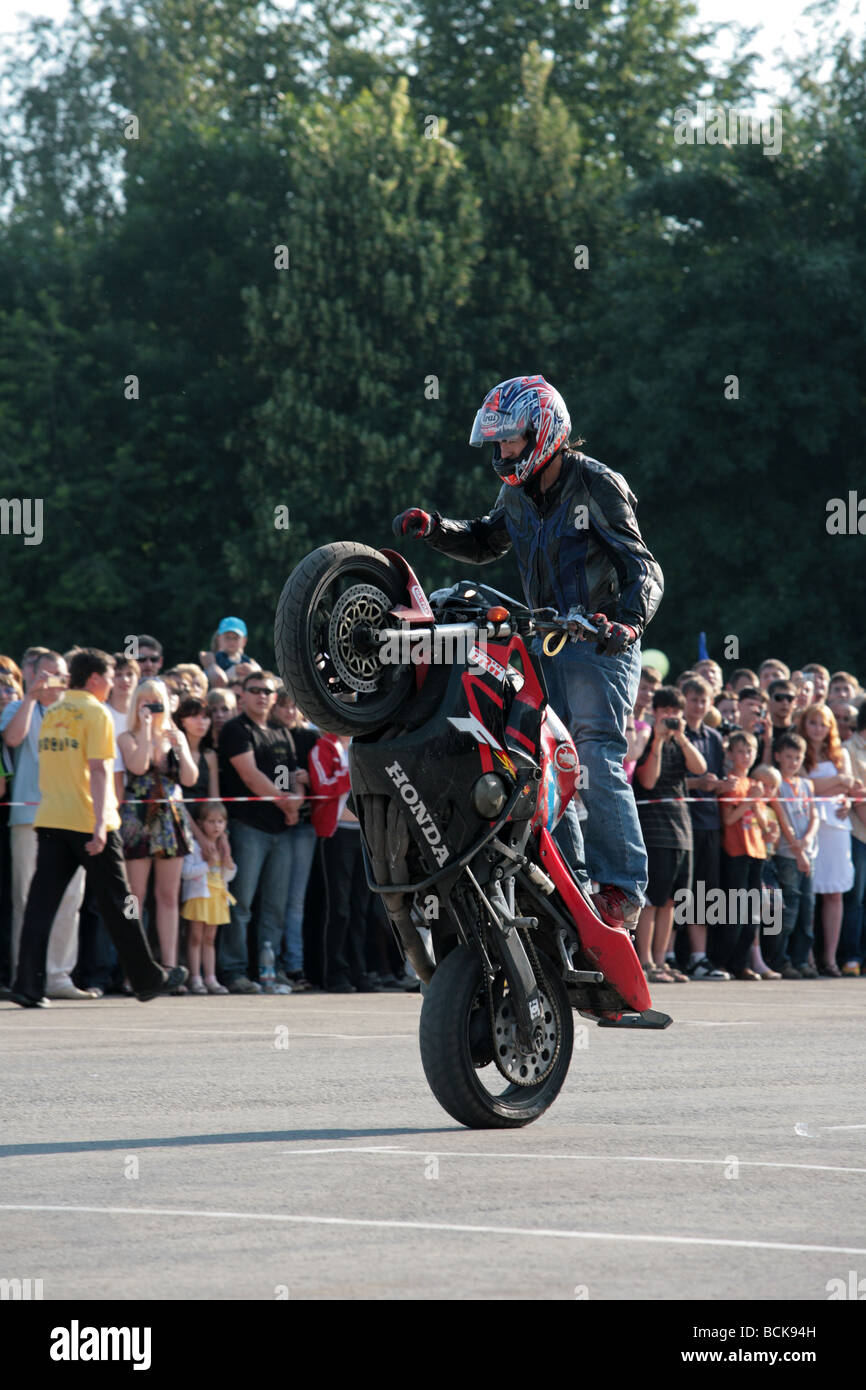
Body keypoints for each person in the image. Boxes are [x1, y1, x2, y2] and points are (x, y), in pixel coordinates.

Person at [393, 374, 664, 928]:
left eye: (511, 439)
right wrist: (435, 529)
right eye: (497, 441)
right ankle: (573, 885)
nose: (503, 451)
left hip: (598, 642)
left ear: (544, 431)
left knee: (594, 755)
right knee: (543, 763)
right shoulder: (515, 493)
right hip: (542, 644)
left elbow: (645, 568)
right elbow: (484, 541)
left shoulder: (597, 483)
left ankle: (623, 889)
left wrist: (628, 623)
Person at [10, 649, 186, 1007]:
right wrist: (99, 825)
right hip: (89, 820)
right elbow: (100, 769)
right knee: (122, 903)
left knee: (40, 906)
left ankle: (28, 984)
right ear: (94, 679)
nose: (112, 683)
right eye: (109, 676)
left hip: (51, 818)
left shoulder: (55, 711)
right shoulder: (96, 712)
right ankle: (147, 978)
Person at [1, 649, 93, 999]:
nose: (55, 681)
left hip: (72, 815)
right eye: (48, 673)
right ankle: (27, 975)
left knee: (71, 899)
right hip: (29, 817)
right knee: (26, 898)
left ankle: (59, 976)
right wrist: (31, 697)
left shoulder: (78, 711)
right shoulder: (17, 707)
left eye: (61, 674)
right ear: (32, 675)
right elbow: (13, 739)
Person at [216, 672, 303, 993]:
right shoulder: (236, 729)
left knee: (275, 908)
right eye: (254, 690)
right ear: (242, 695)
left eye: (267, 691)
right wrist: (287, 803)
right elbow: (250, 776)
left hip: (281, 830)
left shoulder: (281, 732)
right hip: (247, 828)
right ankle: (233, 971)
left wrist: (293, 801)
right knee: (240, 905)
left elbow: (286, 775)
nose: (261, 696)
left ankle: (269, 969)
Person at [118, 680, 199, 985]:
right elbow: (138, 767)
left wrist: (180, 746)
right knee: (134, 896)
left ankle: (170, 967)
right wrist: (145, 730)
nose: (151, 706)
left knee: (168, 896)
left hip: (170, 819)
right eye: (145, 701)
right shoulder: (127, 736)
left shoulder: (174, 736)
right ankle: (135, 968)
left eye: (157, 701)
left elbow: (190, 779)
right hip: (137, 820)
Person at [632, 686, 706, 982]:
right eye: (666, 711)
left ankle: (661, 961)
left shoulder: (681, 740)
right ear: (655, 712)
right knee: (652, 899)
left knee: (672, 901)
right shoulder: (648, 737)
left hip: (682, 829)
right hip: (654, 829)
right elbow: (648, 781)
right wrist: (659, 740)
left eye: (676, 712)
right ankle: (645, 961)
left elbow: (700, 768)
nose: (671, 717)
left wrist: (681, 737)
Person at [798, 704, 857, 976]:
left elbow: (850, 785)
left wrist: (838, 789)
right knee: (809, 893)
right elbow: (805, 787)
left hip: (836, 825)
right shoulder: (799, 750)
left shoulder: (840, 752)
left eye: (823, 724)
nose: (818, 729)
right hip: (808, 825)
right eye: (813, 722)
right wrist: (837, 782)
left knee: (834, 893)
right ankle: (808, 956)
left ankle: (830, 958)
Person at [680, 677, 730, 980]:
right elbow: (665, 782)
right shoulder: (676, 733)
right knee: (678, 892)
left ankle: (699, 956)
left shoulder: (713, 737)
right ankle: (670, 955)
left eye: (704, 701)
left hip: (710, 821)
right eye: (694, 700)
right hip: (683, 821)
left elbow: (719, 775)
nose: (699, 706)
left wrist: (723, 784)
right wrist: (698, 782)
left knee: (705, 892)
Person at [715, 731, 773, 981]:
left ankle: (741, 963)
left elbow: (762, 823)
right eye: (740, 751)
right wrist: (750, 801)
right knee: (734, 912)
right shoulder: (730, 782)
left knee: (752, 915)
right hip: (736, 851)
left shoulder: (753, 784)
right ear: (730, 754)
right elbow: (728, 818)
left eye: (749, 751)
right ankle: (723, 962)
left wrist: (768, 827)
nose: (745, 756)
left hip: (757, 851)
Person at [770, 731, 819, 979]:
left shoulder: (807, 784)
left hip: (807, 853)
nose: (793, 762)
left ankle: (801, 960)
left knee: (807, 909)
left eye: (797, 757)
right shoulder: (776, 785)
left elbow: (814, 815)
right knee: (789, 909)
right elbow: (782, 818)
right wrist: (798, 850)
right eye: (788, 757)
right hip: (788, 854)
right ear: (778, 756)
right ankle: (781, 959)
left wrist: (807, 840)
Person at [180, 801, 236, 994]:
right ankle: (195, 977)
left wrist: (227, 861)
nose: (216, 826)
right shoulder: (194, 846)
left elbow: (228, 876)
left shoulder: (223, 846)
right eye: (211, 821)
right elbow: (186, 872)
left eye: (220, 822)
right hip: (199, 897)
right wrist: (208, 864)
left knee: (210, 939)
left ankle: (211, 978)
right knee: (195, 937)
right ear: (200, 823)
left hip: (216, 898)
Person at [840, 704, 866, 975]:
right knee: (855, 899)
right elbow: (856, 795)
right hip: (857, 833)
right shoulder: (848, 750)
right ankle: (851, 957)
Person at [200, 618, 260, 690]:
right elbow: (218, 681)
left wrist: (252, 673)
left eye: (235, 638)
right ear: (219, 638)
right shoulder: (212, 659)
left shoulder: (248, 661)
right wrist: (234, 671)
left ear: (244, 640)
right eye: (227, 637)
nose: (231, 641)